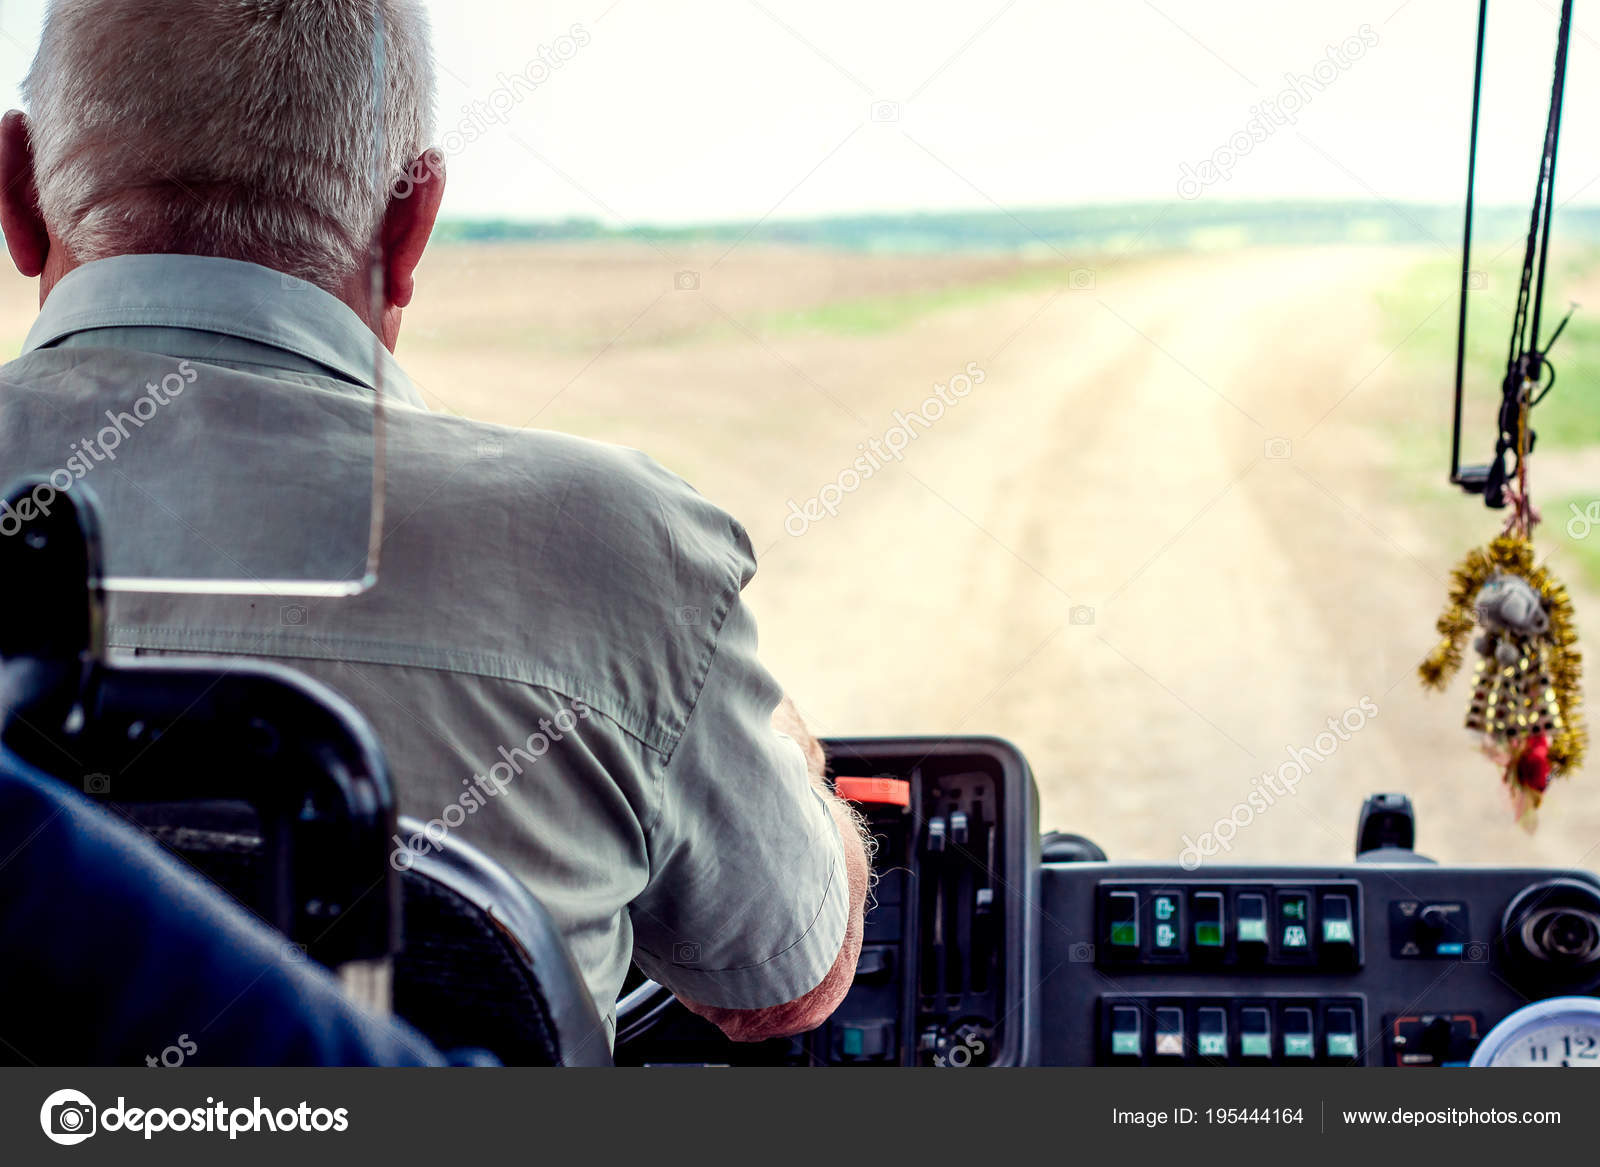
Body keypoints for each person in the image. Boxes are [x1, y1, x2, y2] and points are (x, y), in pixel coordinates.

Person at [0, 0, 869, 1047]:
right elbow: (777, 984)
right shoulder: (613, 547)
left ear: (18, 191)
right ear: (409, 227)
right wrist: (790, 757)